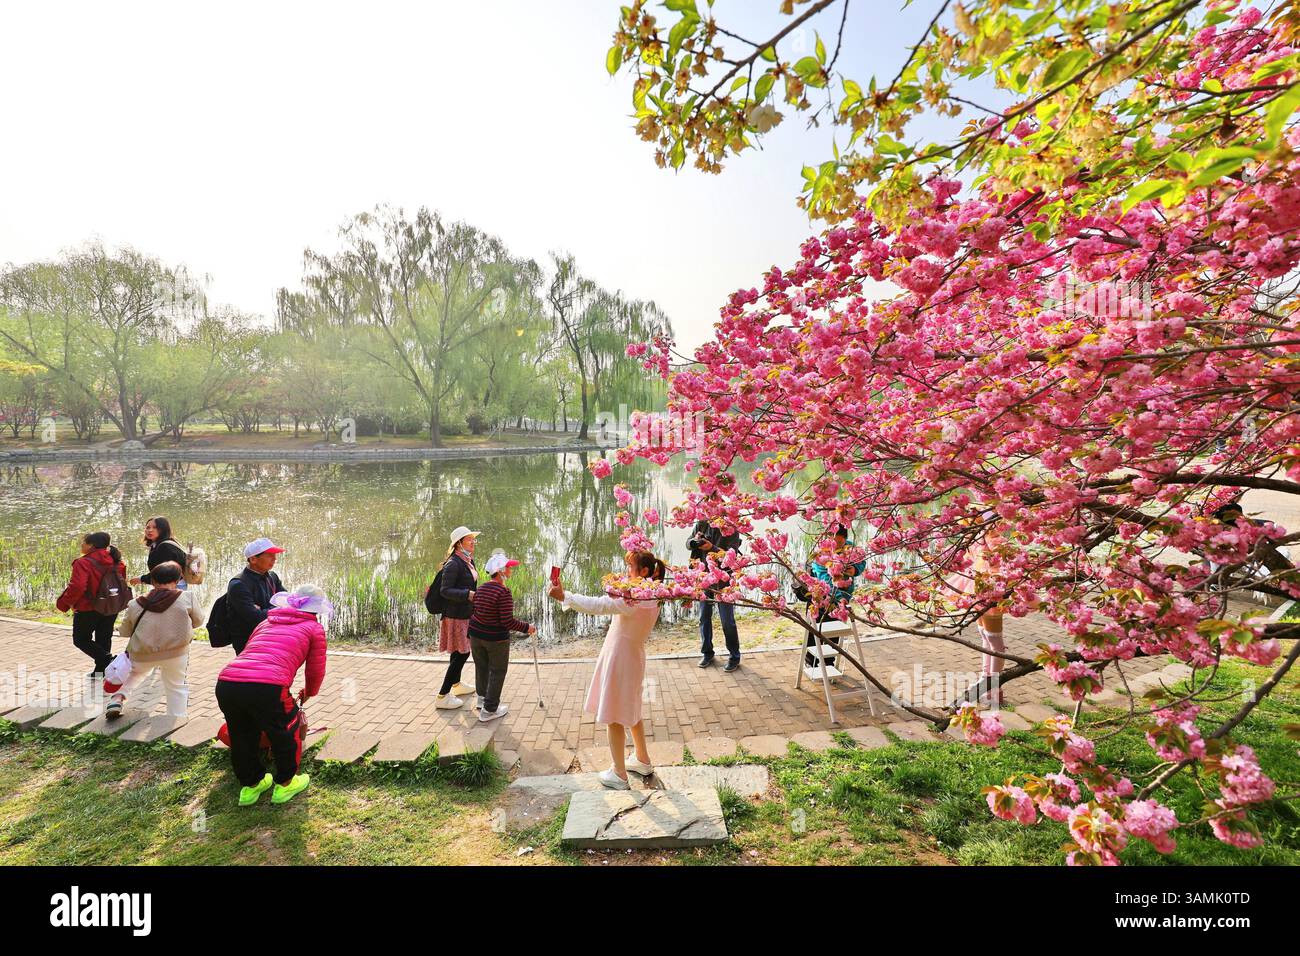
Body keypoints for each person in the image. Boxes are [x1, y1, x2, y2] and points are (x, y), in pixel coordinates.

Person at [549, 550, 666, 790]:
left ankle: (619, 773)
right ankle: (642, 760)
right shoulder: (653, 593)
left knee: (614, 715)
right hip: (632, 655)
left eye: (630, 568)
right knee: (632, 709)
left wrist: (565, 596)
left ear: (644, 572)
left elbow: (599, 605)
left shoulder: (634, 599)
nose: (626, 573)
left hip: (620, 657)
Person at [214, 584, 329, 806]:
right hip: (268, 688)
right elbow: (315, 669)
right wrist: (309, 692)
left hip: (228, 683)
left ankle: (251, 786)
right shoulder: (313, 629)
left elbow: (251, 651)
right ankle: (286, 784)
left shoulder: (265, 622)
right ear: (315, 610)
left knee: (241, 735)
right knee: (286, 731)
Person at [108, 560, 202, 719]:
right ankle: (176, 719)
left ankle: (118, 698)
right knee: (176, 686)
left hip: (143, 653)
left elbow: (124, 631)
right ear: (178, 580)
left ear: (152, 581)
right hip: (176, 653)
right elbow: (198, 621)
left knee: (136, 674)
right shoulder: (188, 598)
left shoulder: (134, 603)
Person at [467, 549, 536, 722]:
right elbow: (507, 621)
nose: (510, 571)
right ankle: (489, 710)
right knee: (497, 671)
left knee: (481, 667)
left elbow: (476, 610)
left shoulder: (482, 588)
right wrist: (527, 627)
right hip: (495, 639)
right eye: (508, 568)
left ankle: (482, 700)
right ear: (501, 572)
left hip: (475, 635)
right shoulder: (503, 592)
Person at [56, 531, 129, 677]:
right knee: (104, 637)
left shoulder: (83, 563)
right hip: (110, 605)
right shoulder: (117, 561)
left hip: (88, 607)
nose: (81, 545)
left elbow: (77, 586)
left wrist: (65, 603)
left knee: (81, 639)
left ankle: (110, 661)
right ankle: (101, 671)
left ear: (91, 546)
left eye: (83, 542)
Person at [804, 525, 867, 667]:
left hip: (843, 595)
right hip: (821, 595)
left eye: (840, 542)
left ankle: (829, 662)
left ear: (845, 539)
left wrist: (855, 570)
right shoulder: (821, 554)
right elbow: (824, 578)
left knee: (835, 628)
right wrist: (839, 598)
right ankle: (811, 661)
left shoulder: (850, 549)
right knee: (816, 628)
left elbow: (862, 561)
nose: (837, 546)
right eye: (834, 542)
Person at [688, 519, 742, 672]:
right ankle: (707, 653)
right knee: (704, 617)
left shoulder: (730, 527)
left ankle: (734, 656)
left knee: (727, 621)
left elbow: (732, 556)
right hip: (704, 577)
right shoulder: (701, 523)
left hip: (724, 579)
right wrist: (694, 540)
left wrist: (712, 547)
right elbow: (687, 543)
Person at [435, 526, 480, 710]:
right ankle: (442, 696)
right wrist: (467, 594)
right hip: (456, 616)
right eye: (470, 540)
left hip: (464, 614)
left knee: (458, 651)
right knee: (463, 653)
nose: (473, 542)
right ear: (459, 544)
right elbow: (445, 591)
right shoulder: (454, 563)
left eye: (473, 539)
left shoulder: (467, 560)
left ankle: (457, 685)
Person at [225, 537, 286, 654]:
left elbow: (287, 601)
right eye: (269, 555)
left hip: (271, 636)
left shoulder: (272, 576)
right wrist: (279, 608)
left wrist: (265, 610)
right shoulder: (238, 584)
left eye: (275, 555)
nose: (274, 558)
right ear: (253, 559)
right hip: (249, 642)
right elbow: (256, 618)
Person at [129, 516, 189, 590]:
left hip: (173, 588)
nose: (150, 530)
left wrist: (141, 579)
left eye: (155, 527)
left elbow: (163, 574)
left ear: (163, 530)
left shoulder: (165, 547)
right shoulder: (158, 544)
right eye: (148, 527)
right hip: (169, 586)